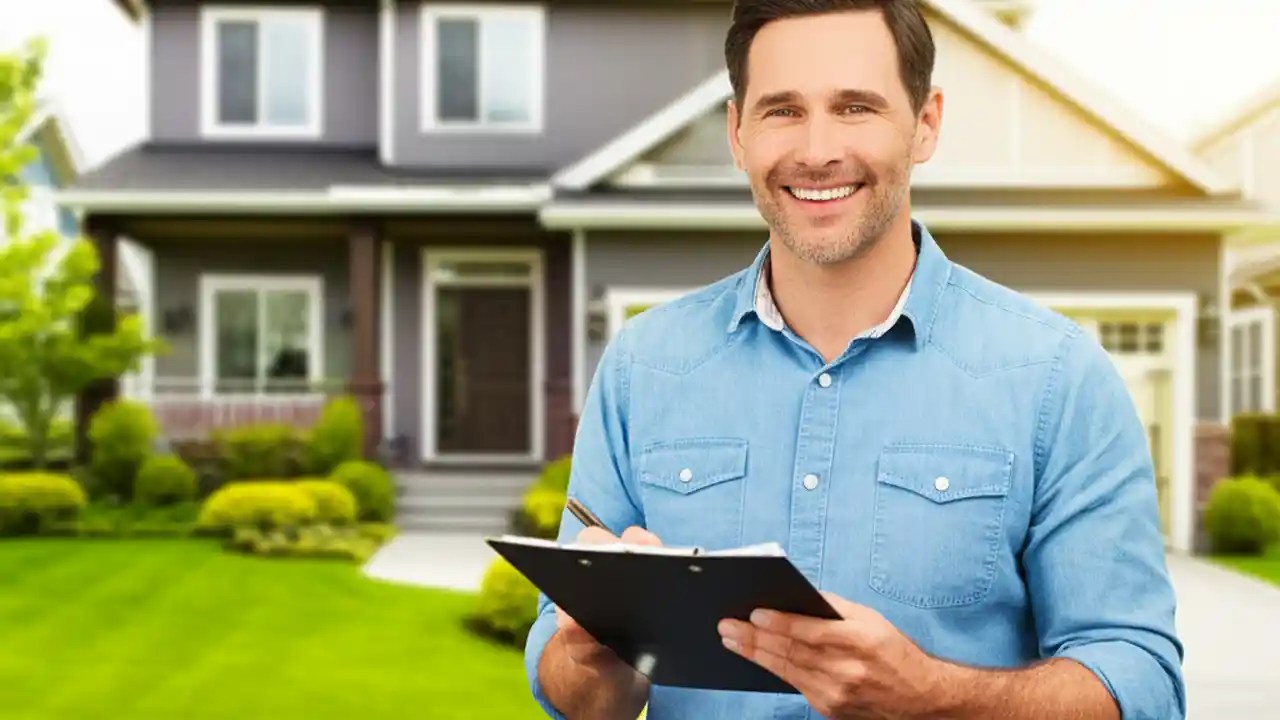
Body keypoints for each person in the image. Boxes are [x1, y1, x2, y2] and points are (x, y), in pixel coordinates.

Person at [524, 0, 1185, 717]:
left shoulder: (1057, 377)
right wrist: (588, 655)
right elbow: (576, 695)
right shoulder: (641, 368)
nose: (815, 150)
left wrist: (932, 697)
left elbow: (1142, 685)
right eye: (782, 111)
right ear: (737, 133)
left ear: (925, 124)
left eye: (855, 107)